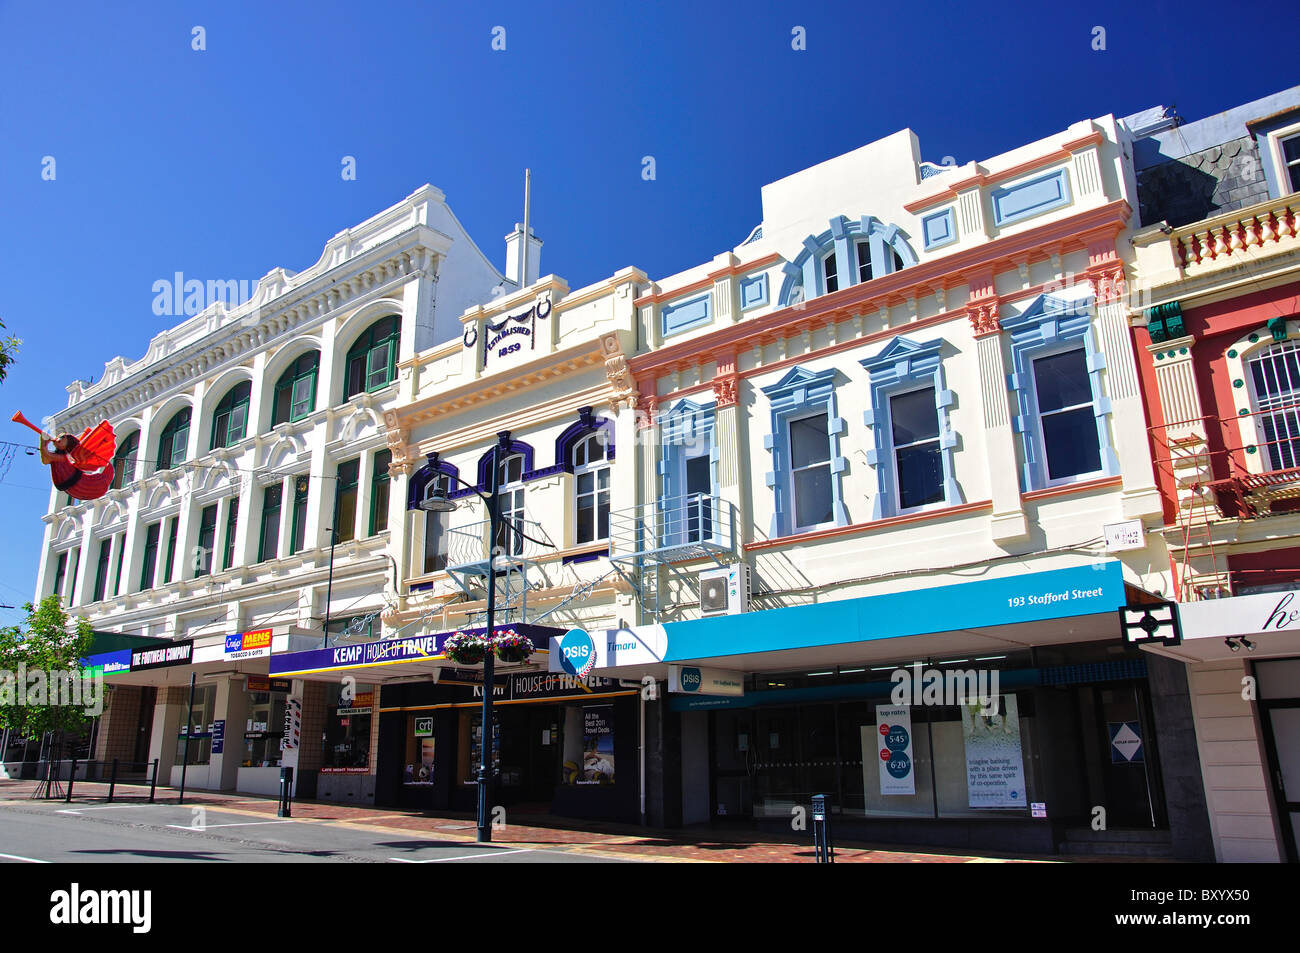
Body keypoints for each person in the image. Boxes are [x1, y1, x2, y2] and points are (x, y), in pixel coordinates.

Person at [41, 433, 115, 502]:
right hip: (67, 484)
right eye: (58, 437)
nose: (57, 438)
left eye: (62, 437)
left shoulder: (65, 457)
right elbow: (45, 460)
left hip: (80, 483)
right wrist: (43, 444)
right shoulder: (57, 455)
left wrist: (43, 443)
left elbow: (47, 455)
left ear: (68, 443)